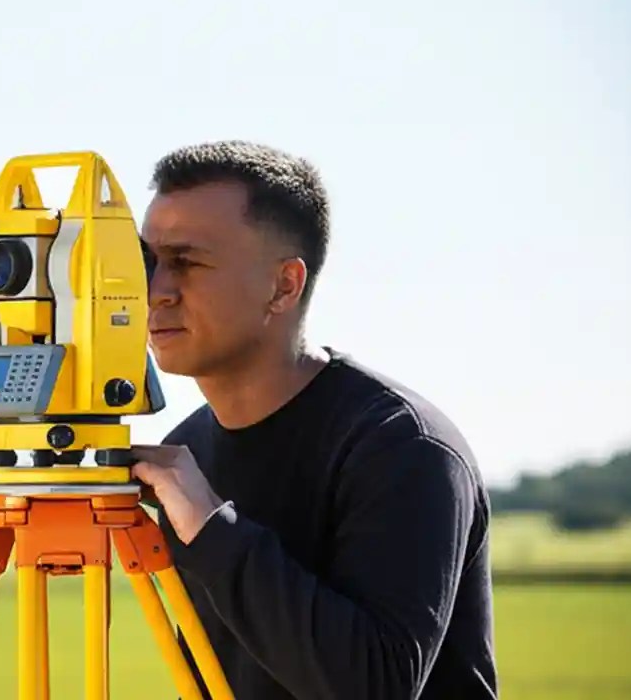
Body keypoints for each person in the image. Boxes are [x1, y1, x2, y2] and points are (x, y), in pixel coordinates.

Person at [128, 140, 498, 699]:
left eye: (186, 262)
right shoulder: (186, 454)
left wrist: (212, 530)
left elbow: (377, 686)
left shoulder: (403, 447)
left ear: (284, 285)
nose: (156, 292)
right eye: (148, 261)